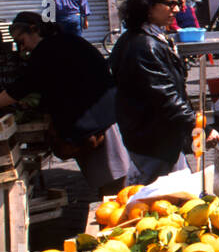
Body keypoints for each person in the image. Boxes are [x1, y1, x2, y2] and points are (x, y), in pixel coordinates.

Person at [0, 12, 128, 197]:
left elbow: (19, 89)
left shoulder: (47, 50)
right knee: (113, 180)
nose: (23, 48)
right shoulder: (67, 41)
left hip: (96, 123)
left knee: (114, 184)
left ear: (35, 29)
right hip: (104, 117)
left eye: (22, 40)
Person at [108, 0, 219, 184]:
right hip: (152, 141)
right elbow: (166, 97)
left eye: (177, 3)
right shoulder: (143, 46)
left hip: (161, 138)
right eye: (170, 4)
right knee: (155, 199)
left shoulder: (149, 38)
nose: (177, 10)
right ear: (148, 6)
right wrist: (200, 127)